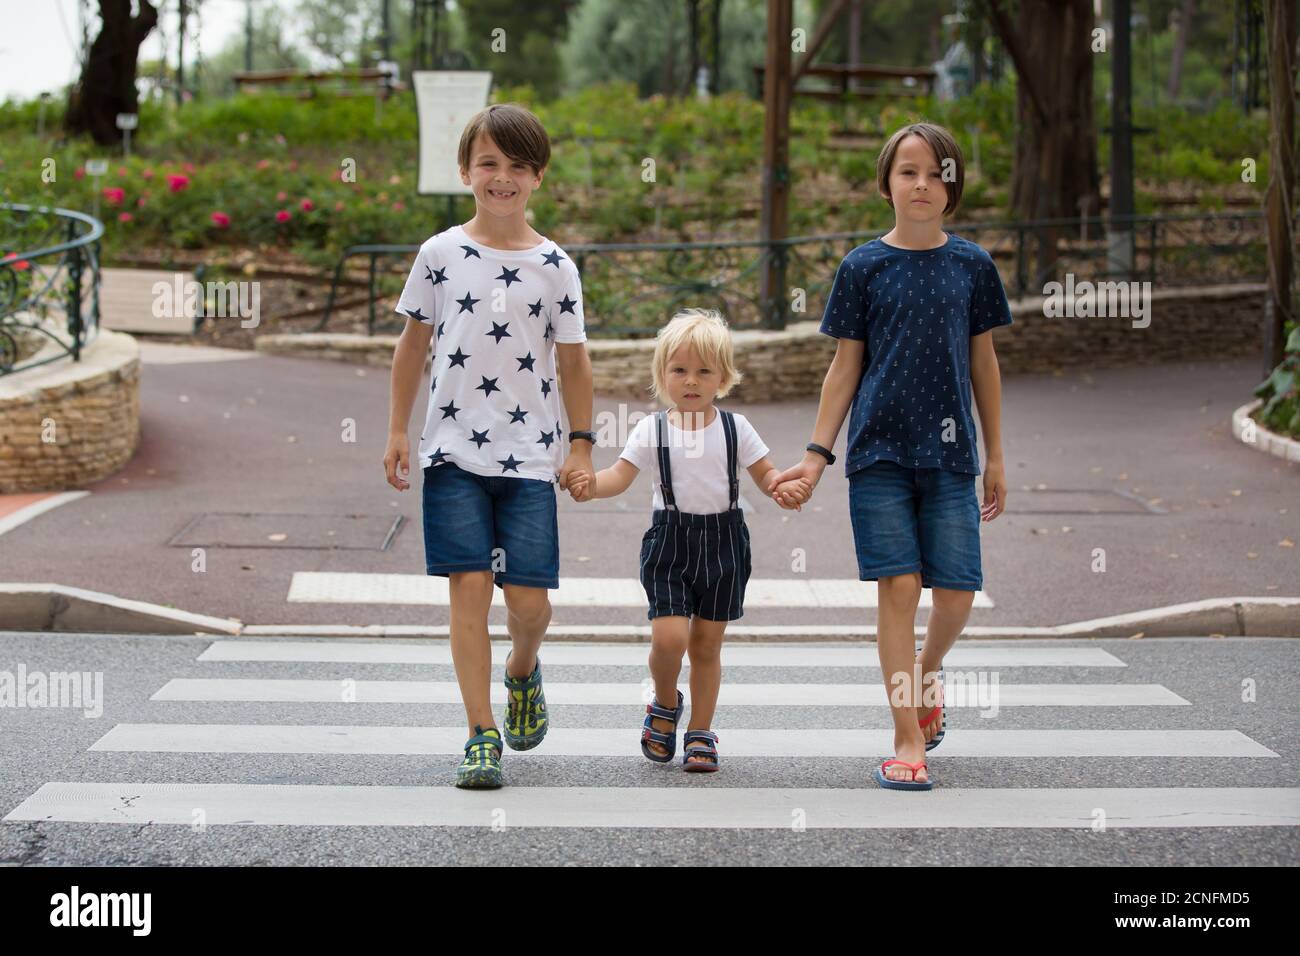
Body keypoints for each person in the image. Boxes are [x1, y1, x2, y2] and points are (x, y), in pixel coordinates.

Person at [769, 122, 1012, 790]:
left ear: (952, 186)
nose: (924, 184)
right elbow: (843, 370)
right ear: (887, 184)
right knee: (899, 588)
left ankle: (928, 672)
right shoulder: (863, 267)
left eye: (937, 173)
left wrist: (996, 455)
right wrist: (817, 455)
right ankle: (908, 738)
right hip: (877, 454)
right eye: (909, 171)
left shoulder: (973, 265)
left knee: (958, 593)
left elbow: (984, 363)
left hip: (954, 455)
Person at [383, 103, 595, 789]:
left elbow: (575, 364)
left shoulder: (556, 265)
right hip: (451, 453)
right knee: (469, 589)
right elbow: (411, 347)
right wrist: (396, 430)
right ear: (466, 171)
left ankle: (522, 670)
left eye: (516, 166)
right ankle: (480, 735)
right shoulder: (439, 256)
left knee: (527, 603)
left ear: (538, 176)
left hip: (531, 458)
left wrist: (583, 445)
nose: (501, 178)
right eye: (488, 164)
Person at [568, 309, 811, 772]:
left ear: (723, 377)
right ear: (663, 375)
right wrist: (590, 485)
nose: (691, 381)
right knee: (669, 637)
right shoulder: (651, 429)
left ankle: (700, 730)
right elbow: (619, 476)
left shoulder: (736, 429)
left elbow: (767, 475)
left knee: (705, 646)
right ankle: (663, 701)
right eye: (679, 370)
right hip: (670, 545)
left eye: (704, 371)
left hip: (724, 544)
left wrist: (785, 488)